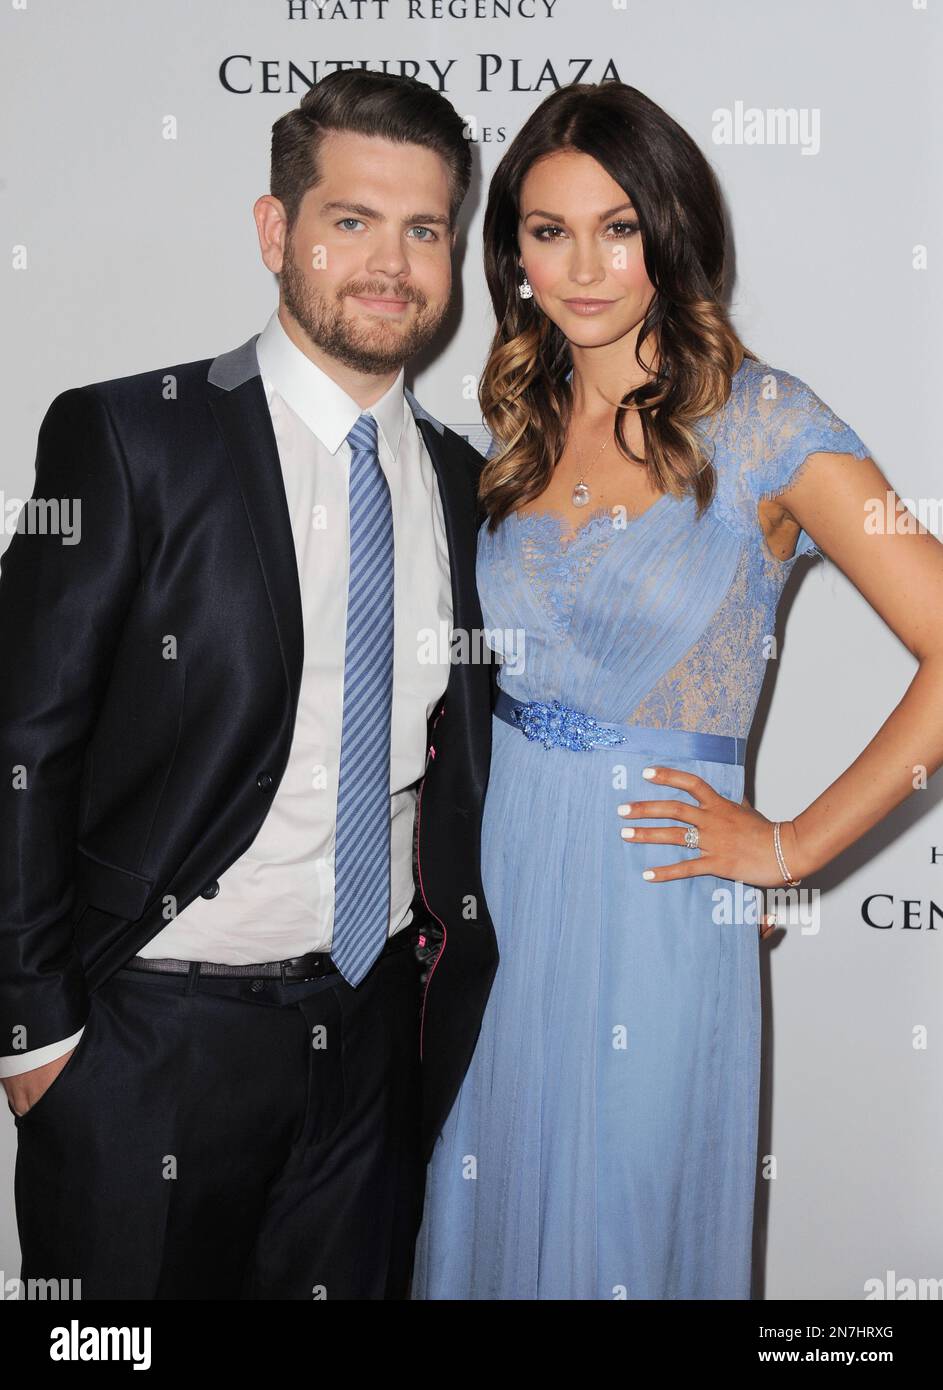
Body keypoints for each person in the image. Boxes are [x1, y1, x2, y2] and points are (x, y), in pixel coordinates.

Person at [411, 81, 943, 1299]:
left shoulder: (767, 422)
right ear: (512, 254)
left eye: (617, 226)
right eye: (547, 231)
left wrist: (794, 843)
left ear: (671, 226)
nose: (583, 265)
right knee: (476, 1215)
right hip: (497, 896)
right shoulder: (514, 428)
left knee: (623, 1234)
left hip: (653, 894)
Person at [0, 69, 498, 1300]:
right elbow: (23, 738)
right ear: (275, 232)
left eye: (423, 229)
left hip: (372, 1038)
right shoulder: (131, 437)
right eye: (350, 220)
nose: (391, 264)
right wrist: (39, 1035)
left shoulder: (462, 483)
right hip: (147, 1042)